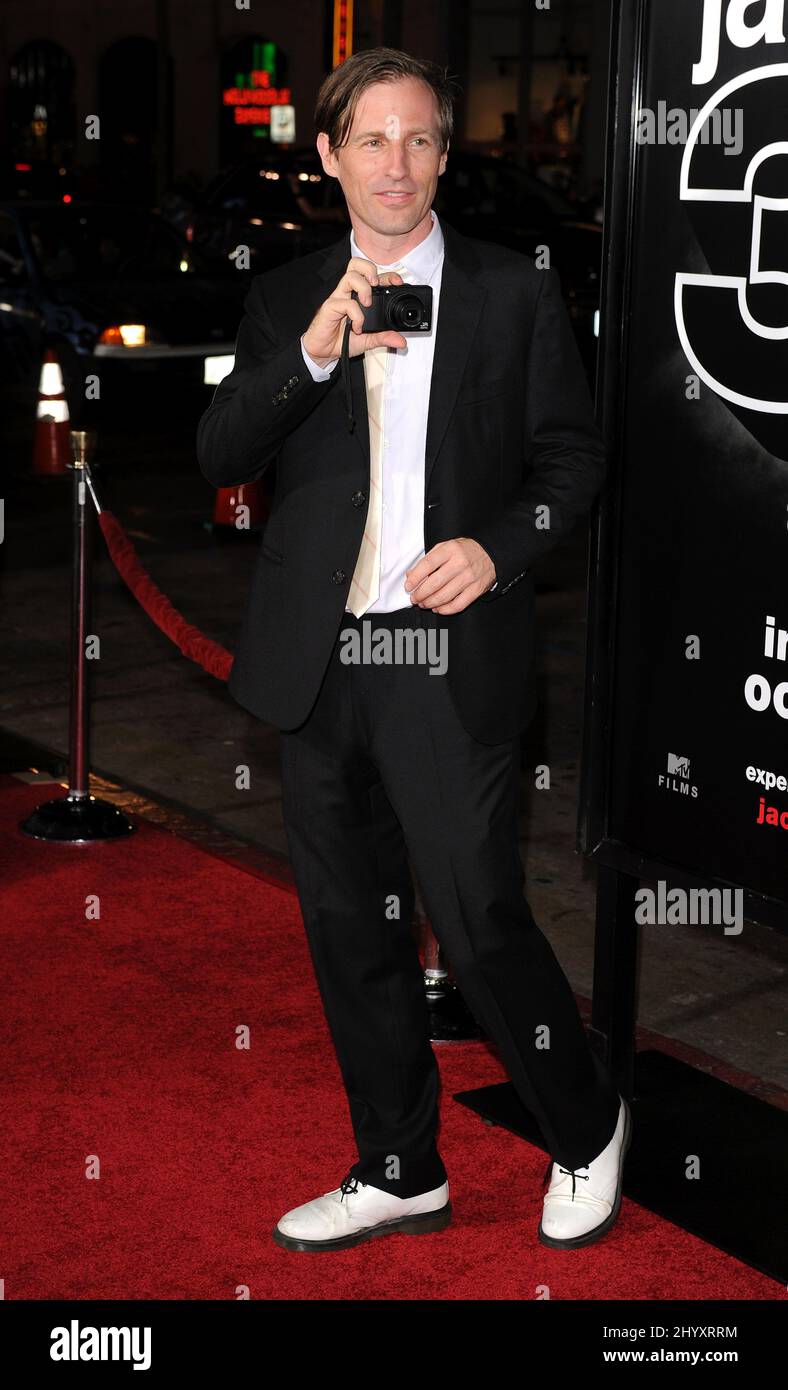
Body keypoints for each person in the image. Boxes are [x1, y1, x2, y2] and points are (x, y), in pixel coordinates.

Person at [197, 47, 631, 1255]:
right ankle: (398, 1163)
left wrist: (497, 550)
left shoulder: (508, 291)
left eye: (420, 139)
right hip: (319, 659)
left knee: (476, 913)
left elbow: (572, 461)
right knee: (348, 926)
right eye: (371, 140)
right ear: (327, 154)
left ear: (446, 153)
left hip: (444, 655)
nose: (397, 164)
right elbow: (220, 452)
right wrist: (317, 352)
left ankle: (586, 1123)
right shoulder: (288, 297)